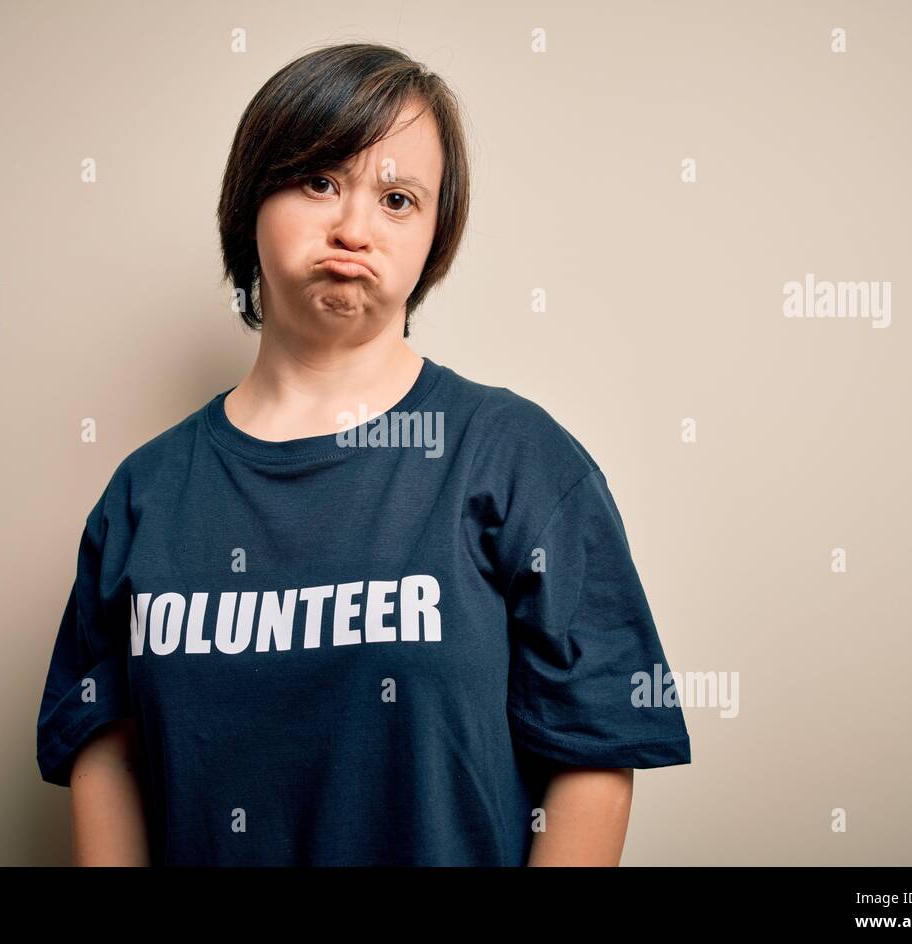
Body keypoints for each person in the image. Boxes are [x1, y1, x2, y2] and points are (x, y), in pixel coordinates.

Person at [36, 41, 691, 867]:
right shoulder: (146, 493)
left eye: (398, 199)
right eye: (320, 182)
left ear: (433, 239)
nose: (354, 228)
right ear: (250, 203)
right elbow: (106, 755)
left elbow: (594, 753)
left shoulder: (519, 461)